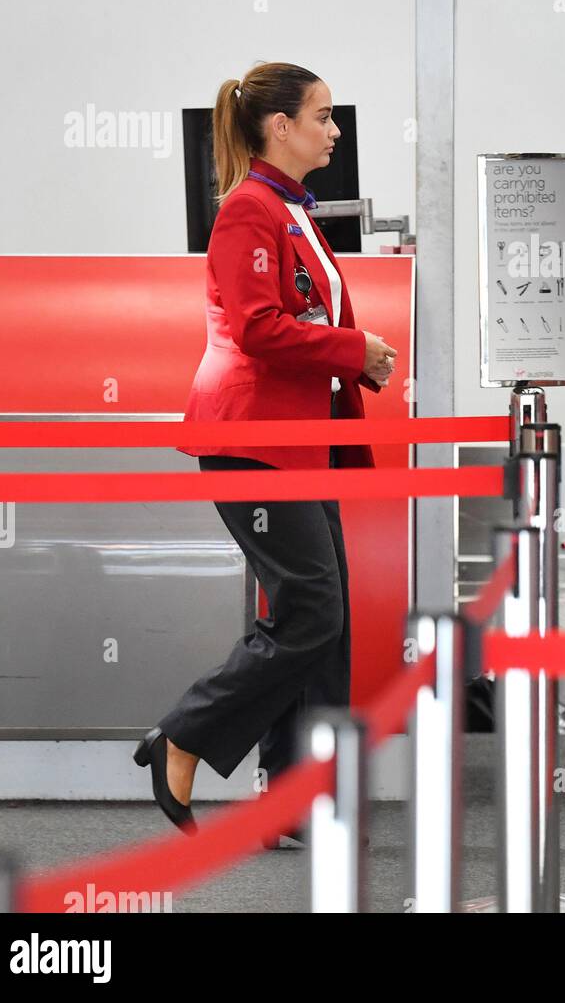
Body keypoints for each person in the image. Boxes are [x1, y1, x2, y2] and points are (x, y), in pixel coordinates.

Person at [132, 61, 397, 846]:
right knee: (313, 614)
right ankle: (183, 735)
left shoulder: (288, 210)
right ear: (279, 126)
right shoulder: (249, 212)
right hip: (255, 444)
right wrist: (356, 349)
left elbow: (294, 316)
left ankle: (298, 800)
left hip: (297, 443)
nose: (335, 130)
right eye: (323, 116)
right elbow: (256, 327)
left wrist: (353, 356)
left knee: (324, 621)